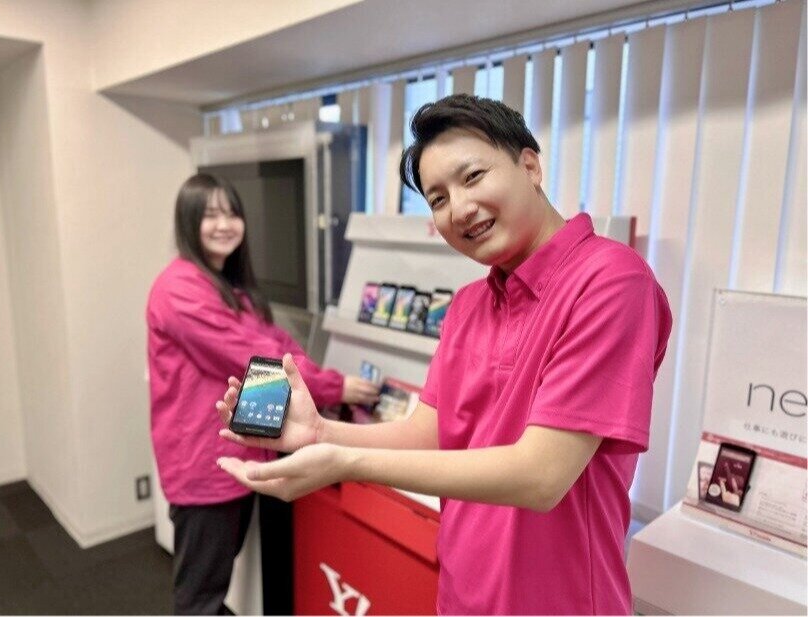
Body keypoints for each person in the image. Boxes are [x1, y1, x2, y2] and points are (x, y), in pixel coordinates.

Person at [215, 95, 673, 615]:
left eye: (472, 177)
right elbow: (427, 434)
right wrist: (322, 433)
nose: (459, 209)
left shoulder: (611, 282)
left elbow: (542, 475)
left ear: (530, 165)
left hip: (559, 601)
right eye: (437, 198)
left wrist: (345, 461)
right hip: (462, 591)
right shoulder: (469, 304)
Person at [146, 173, 379, 615]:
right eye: (210, 215)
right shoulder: (179, 289)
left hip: (236, 452)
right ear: (188, 222)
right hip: (204, 462)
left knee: (216, 579)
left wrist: (319, 378)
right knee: (200, 597)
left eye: (231, 213)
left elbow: (277, 343)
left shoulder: (229, 287)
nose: (224, 224)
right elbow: (252, 355)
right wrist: (335, 385)